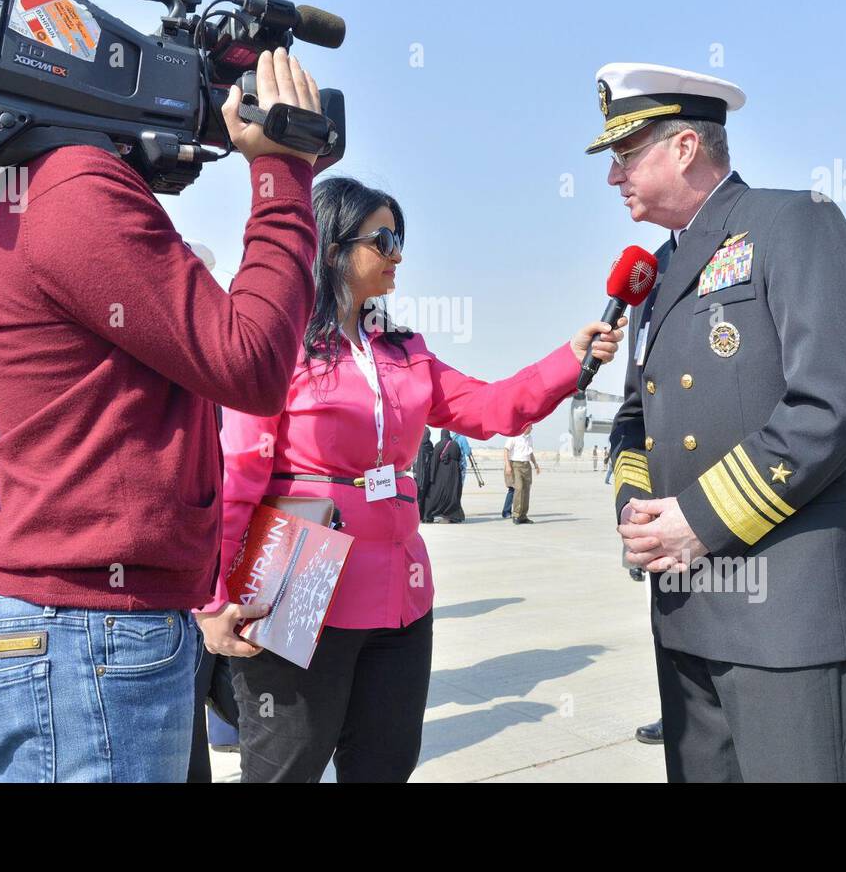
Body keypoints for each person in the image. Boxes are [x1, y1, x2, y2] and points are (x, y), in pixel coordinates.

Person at [0, 49, 324, 782]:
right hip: (92, 629)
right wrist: (282, 174)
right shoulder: (75, 188)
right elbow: (249, 363)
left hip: (86, 626)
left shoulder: (38, 186)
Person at [200, 175, 624, 783]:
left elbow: (489, 407)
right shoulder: (280, 346)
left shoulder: (405, 351)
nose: (398, 254)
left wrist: (567, 359)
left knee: (386, 761)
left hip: (400, 583)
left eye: (399, 239)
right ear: (333, 246)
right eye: (384, 239)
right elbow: (239, 473)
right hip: (297, 567)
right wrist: (215, 598)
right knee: (285, 764)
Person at [599, 62, 846, 782]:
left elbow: (833, 400)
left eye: (626, 154)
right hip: (687, 605)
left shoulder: (792, 222)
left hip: (787, 613)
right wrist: (635, 510)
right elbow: (634, 419)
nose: (613, 177)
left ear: (686, 147)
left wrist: (698, 518)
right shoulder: (655, 278)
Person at [425, 429, 466, 523]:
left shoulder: (439, 445)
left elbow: (434, 462)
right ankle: (453, 515)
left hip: (441, 473)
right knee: (453, 494)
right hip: (454, 474)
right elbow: (460, 458)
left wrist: (432, 477)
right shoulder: (455, 445)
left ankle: (431, 514)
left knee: (437, 493)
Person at [503, 424, 541, 524]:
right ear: (525, 427)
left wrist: (535, 464)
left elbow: (530, 453)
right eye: (530, 426)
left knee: (526, 490)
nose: (532, 428)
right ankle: (516, 515)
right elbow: (506, 450)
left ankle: (523, 516)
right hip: (516, 465)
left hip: (526, 465)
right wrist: (507, 465)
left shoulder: (530, 438)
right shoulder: (514, 436)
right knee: (518, 489)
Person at [415, 427, 435, 519]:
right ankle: (423, 515)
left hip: (419, 475)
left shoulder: (419, 445)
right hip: (427, 474)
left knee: (419, 496)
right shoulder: (430, 445)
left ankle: (418, 515)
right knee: (425, 495)